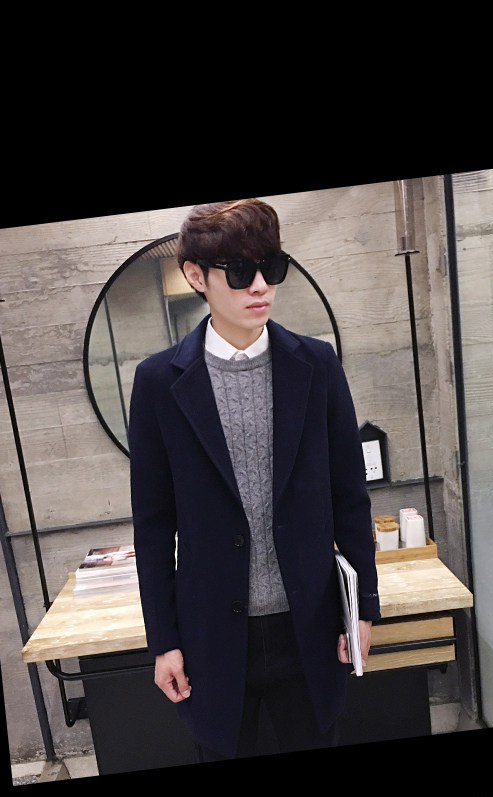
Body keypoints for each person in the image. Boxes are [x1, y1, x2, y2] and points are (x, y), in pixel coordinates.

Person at [128, 198, 380, 761]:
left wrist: (363, 606)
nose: (261, 285)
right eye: (240, 271)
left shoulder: (317, 364)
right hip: (211, 636)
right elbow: (153, 524)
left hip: (311, 626)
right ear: (196, 276)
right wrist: (163, 641)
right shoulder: (158, 382)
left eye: (272, 267)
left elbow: (349, 495)